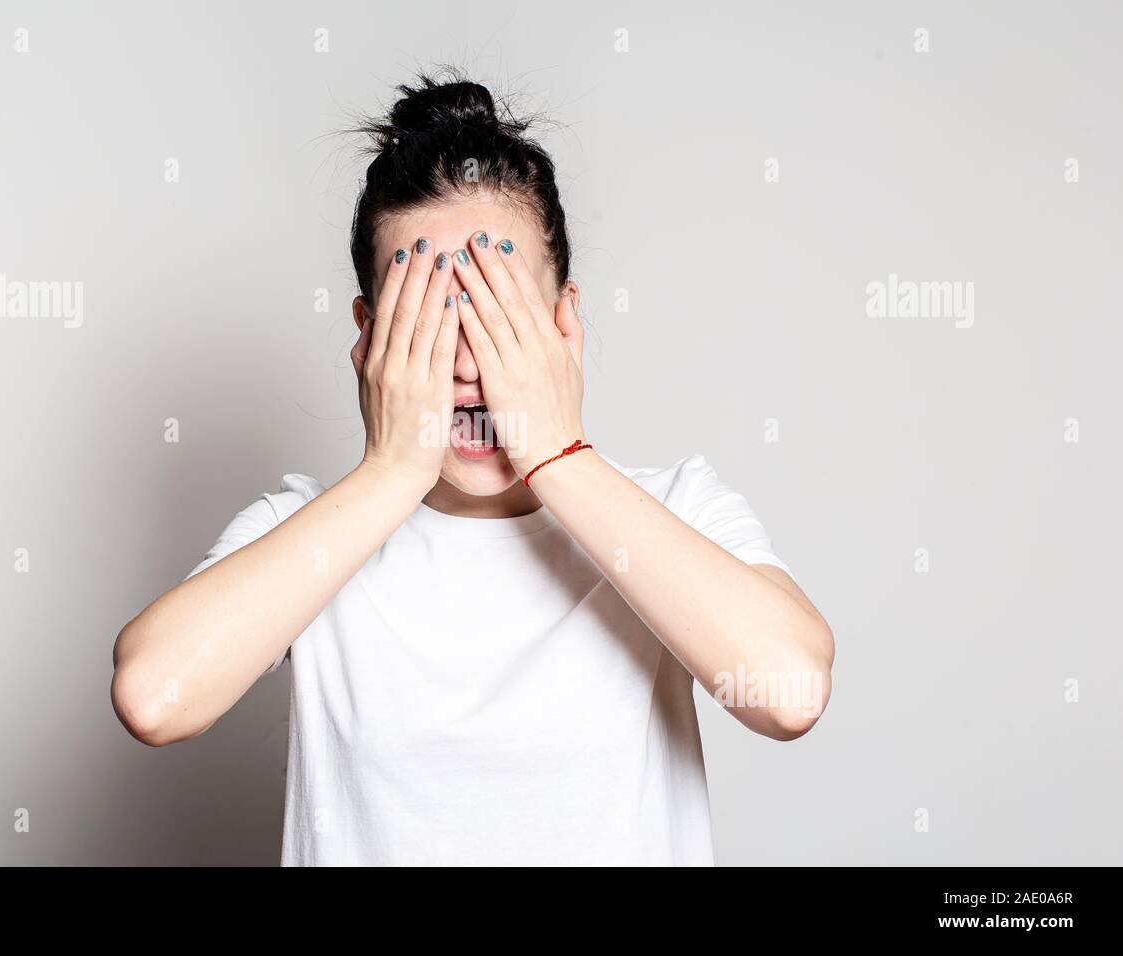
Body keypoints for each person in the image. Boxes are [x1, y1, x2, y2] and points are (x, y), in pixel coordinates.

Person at [111, 73, 835, 866]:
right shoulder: (310, 534)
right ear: (367, 332)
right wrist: (391, 469)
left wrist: (559, 453)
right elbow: (156, 697)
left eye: (500, 315)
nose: (467, 363)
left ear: (566, 320)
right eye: (427, 316)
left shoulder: (675, 508)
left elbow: (790, 694)